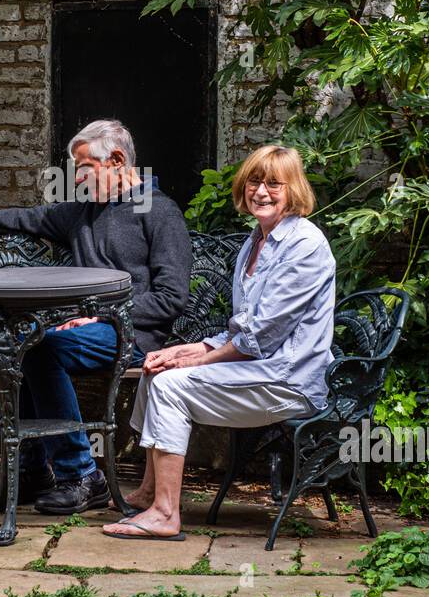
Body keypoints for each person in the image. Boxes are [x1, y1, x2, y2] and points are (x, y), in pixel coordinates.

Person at [0, 119, 192, 515]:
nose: (77, 178)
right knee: (14, 349)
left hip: (132, 336)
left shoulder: (160, 213)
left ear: (117, 160)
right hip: (83, 332)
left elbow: (171, 299)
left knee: (37, 350)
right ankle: (33, 470)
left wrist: (100, 316)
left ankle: (82, 475)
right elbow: (22, 217)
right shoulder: (81, 213)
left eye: (84, 167)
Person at [102, 144, 336, 540]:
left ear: (294, 189)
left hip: (287, 381)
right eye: (254, 182)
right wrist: (185, 351)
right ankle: (148, 492)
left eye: (274, 184)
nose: (260, 192)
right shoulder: (257, 240)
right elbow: (242, 330)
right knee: (155, 369)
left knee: (172, 385)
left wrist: (195, 362)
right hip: (258, 368)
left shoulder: (304, 246)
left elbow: (260, 338)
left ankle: (165, 513)